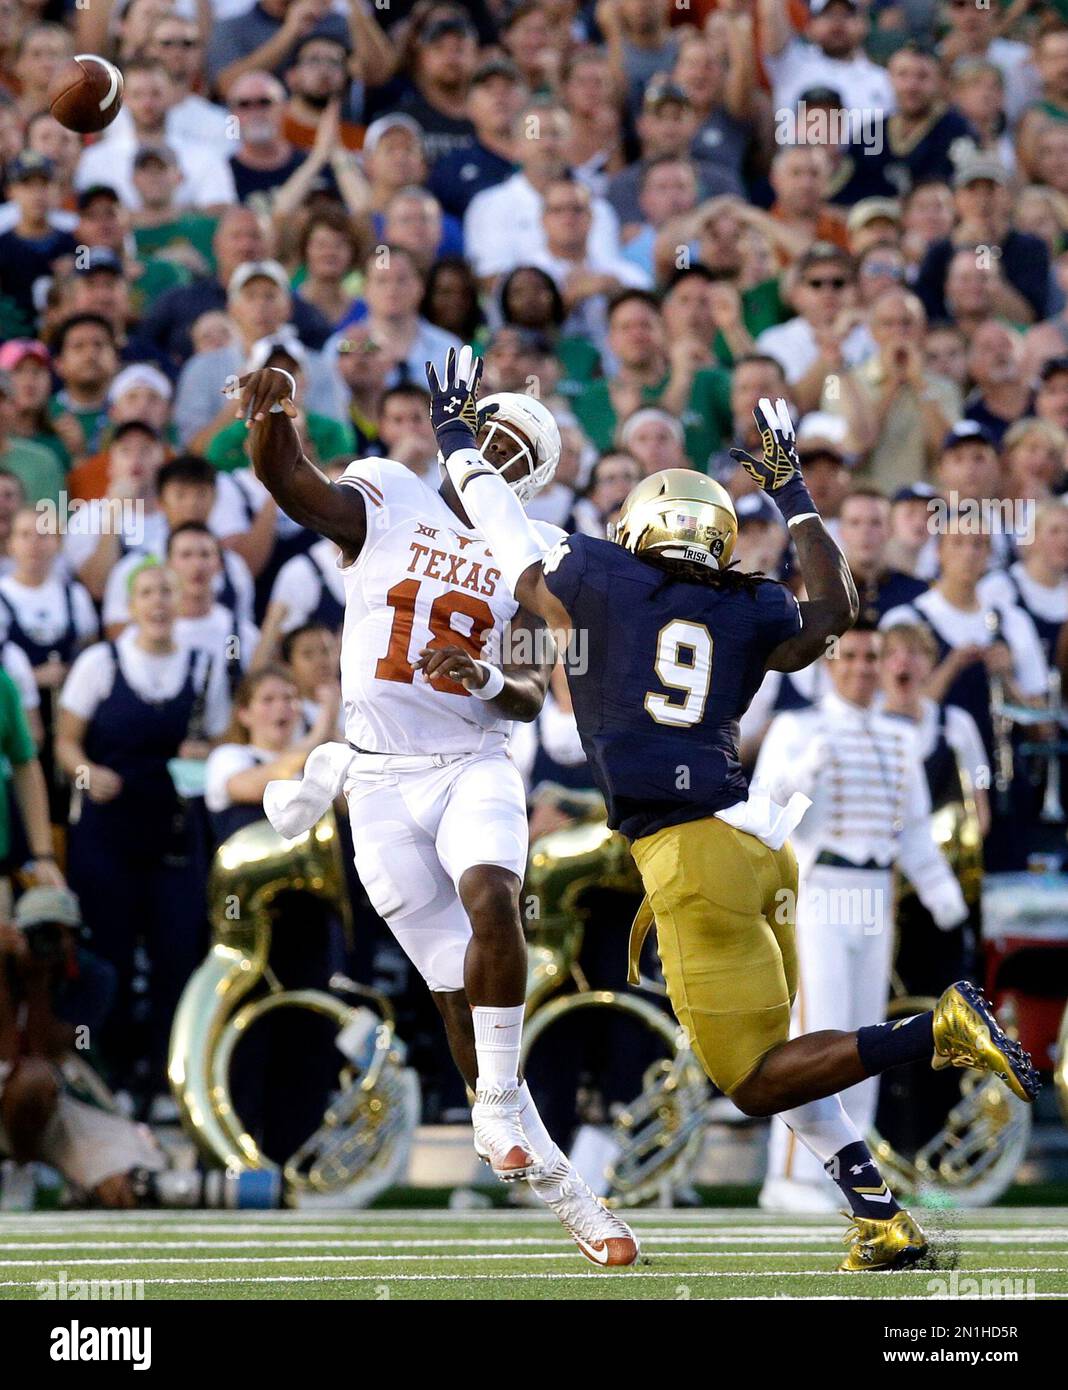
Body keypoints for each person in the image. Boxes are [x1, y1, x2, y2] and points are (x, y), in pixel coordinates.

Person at [431, 350, 1038, 1270]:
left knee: (752, 1079)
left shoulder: (597, 574)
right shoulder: (751, 603)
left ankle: (939, 1027)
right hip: (755, 848)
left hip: (691, 858)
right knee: (788, 1054)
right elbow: (837, 607)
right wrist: (795, 494)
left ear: (639, 526)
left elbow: (504, 532)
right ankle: (878, 1215)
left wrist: (455, 441)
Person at [231, 355, 640, 1266]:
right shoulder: (386, 490)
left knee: (493, 896)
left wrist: (487, 676)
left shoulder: (527, 549)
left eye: (516, 451)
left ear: (529, 476)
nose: (495, 453)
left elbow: (537, 698)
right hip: (377, 777)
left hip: (471, 760)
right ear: (464, 435)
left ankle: (496, 1109)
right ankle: (565, 1190)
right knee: (456, 988)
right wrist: (272, 416)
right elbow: (289, 482)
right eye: (489, 433)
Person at [753, 622, 969, 1213]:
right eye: (850, 655)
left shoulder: (900, 738)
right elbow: (762, 809)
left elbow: (915, 833)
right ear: (829, 662)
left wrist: (943, 894)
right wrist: (806, 770)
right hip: (821, 892)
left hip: (876, 895)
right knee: (816, 1031)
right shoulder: (799, 728)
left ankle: (856, 1175)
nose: (862, 667)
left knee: (867, 1039)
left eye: (872, 657)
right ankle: (792, 1175)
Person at [56, 561, 230, 1098]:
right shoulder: (100, 662)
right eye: (148, 593)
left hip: (174, 840)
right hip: (106, 839)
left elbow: (222, 743)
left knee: (176, 960)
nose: (158, 602)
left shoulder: (205, 666)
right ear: (130, 606)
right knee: (106, 960)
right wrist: (87, 774)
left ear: (181, 603)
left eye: (167, 593)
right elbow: (64, 744)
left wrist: (206, 752)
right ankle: (102, 1082)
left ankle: (165, 1084)